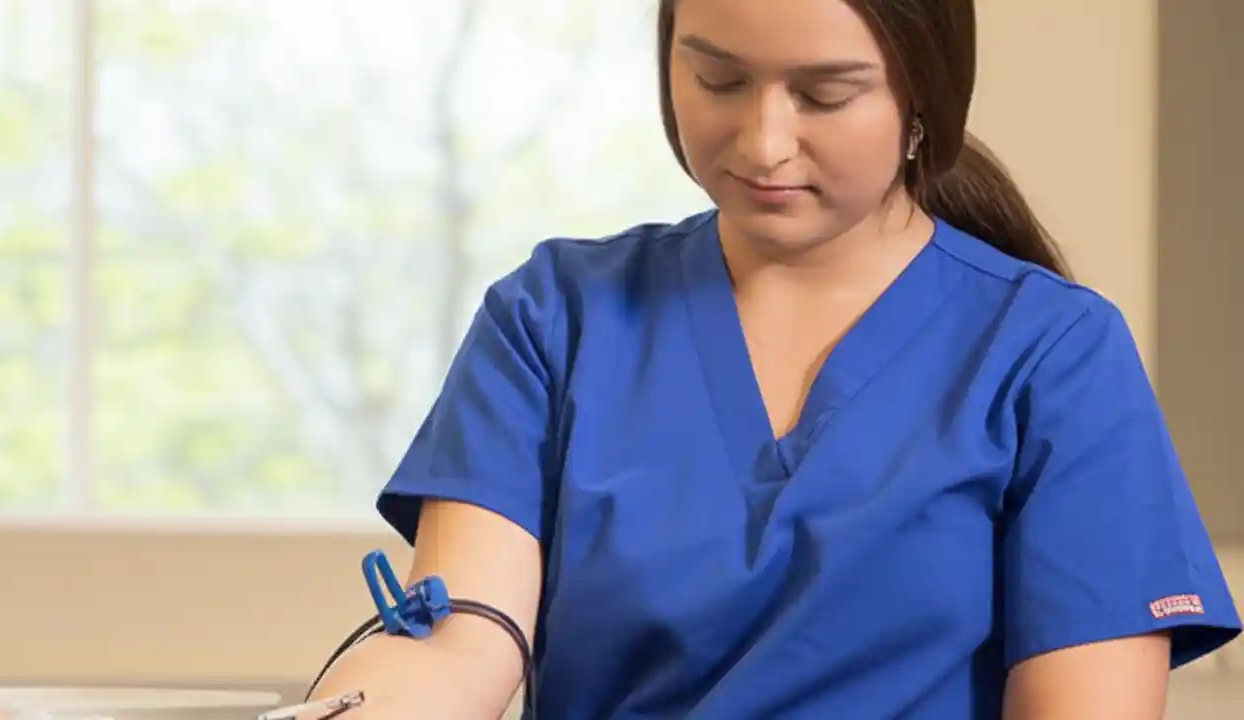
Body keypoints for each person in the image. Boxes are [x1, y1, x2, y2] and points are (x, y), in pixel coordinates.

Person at [311, 0, 1241, 717]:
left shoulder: (1052, 354)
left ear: (923, 92)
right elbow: (462, 636)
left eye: (825, 96)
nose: (762, 143)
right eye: (717, 80)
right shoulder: (553, 318)